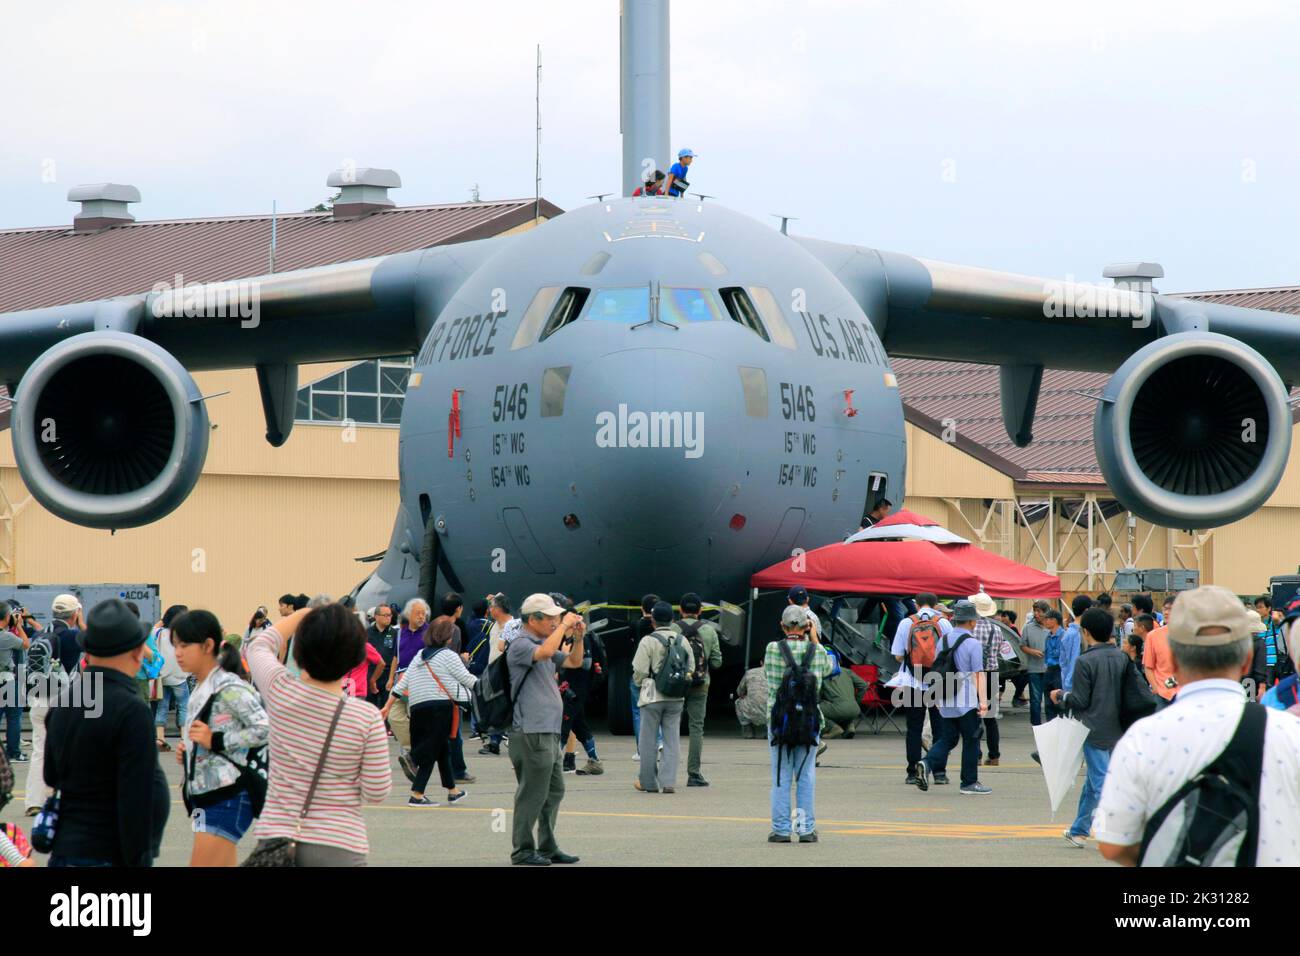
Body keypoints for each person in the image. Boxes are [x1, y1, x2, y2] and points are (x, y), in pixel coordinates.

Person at [1096, 585, 1300, 867]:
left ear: (1175, 661)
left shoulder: (1142, 739)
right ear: (1247, 660)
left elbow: (1112, 844)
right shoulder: (1290, 733)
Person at [246, 603, 392, 866]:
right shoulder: (366, 717)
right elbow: (377, 790)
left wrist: (305, 613)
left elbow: (257, 646)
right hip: (340, 843)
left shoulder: (280, 692)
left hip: (278, 837)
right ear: (355, 657)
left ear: (299, 652)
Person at [43, 599, 170, 866]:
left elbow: (51, 774)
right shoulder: (131, 709)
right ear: (135, 651)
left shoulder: (65, 702)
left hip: (67, 847)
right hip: (110, 851)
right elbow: (137, 796)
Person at [171, 609, 270, 866]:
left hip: (228, 794)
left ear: (208, 646)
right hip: (204, 796)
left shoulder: (230, 687)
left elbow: (264, 728)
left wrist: (216, 741)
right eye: (175, 646)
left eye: (184, 645)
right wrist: (190, 750)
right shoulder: (201, 688)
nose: (177, 653)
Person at [505, 593, 585, 865]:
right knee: (533, 793)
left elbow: (574, 662)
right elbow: (547, 653)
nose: (555, 621)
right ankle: (523, 850)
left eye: (556, 617)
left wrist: (579, 637)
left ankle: (548, 846)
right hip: (531, 730)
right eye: (550, 617)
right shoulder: (521, 644)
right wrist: (564, 627)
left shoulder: (542, 641)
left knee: (554, 791)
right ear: (533, 619)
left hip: (548, 731)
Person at [1050, 607, 1128, 848]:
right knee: (1094, 782)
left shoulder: (1085, 661)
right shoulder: (1121, 657)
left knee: (1101, 782)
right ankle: (1079, 829)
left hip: (1093, 729)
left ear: (1085, 631)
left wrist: (1061, 695)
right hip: (1118, 727)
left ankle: (1119, 831)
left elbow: (1080, 700)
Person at [382, 616, 476, 806]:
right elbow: (467, 679)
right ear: (448, 637)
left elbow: (403, 684)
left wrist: (388, 705)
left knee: (441, 749)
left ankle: (453, 791)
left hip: (418, 707)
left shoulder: (420, 655)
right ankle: (416, 793)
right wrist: (489, 689)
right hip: (439, 707)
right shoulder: (448, 655)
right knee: (431, 751)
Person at [765, 605, 832, 843]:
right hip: (810, 720)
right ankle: (805, 829)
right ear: (807, 626)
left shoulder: (773, 649)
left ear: (782, 626)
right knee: (805, 775)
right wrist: (814, 638)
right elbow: (828, 674)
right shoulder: (819, 651)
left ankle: (781, 829)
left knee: (781, 776)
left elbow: (769, 681)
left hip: (779, 721)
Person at [917, 599, 990, 795]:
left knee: (948, 738)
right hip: (965, 698)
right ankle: (969, 782)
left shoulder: (944, 639)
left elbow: (938, 667)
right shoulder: (973, 643)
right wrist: (983, 701)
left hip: (946, 695)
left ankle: (926, 762)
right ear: (972, 622)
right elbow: (978, 674)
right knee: (971, 739)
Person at [632, 601, 693, 794]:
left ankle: (648, 782)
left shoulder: (648, 641)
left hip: (652, 696)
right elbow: (690, 668)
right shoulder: (682, 640)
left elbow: (640, 669)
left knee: (648, 740)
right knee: (672, 739)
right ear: (673, 620)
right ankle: (668, 782)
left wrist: (641, 682)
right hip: (675, 697)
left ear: (653, 621)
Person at [892, 592, 949, 785]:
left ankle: (911, 771)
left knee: (914, 728)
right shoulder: (943, 622)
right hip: (938, 681)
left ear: (916, 605)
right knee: (939, 727)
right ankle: (939, 772)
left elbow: (898, 656)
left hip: (912, 681)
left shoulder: (906, 623)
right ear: (935, 604)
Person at [676, 592, 722, 786]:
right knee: (696, 728)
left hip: (675, 685)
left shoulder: (672, 628)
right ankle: (694, 773)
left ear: (680, 610)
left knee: (668, 727)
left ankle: (663, 772)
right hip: (700, 683)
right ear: (701, 610)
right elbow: (717, 662)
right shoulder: (709, 631)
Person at [479, 593, 515, 756]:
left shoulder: (514, 626)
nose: (489, 609)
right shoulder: (495, 625)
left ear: (499, 609)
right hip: (493, 671)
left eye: (492, 606)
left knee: (503, 706)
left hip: (507, 672)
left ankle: (498, 740)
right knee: (494, 705)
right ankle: (494, 741)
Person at [969, 592, 1002, 766]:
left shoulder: (970, 628)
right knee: (990, 717)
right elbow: (996, 652)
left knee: (974, 717)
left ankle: (977, 755)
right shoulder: (996, 629)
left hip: (974, 675)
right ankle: (994, 755)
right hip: (992, 674)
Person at [153, 604, 190, 753]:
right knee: (184, 707)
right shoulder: (184, 633)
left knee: (162, 707)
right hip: (179, 676)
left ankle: (160, 738)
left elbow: (150, 631)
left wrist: (162, 621)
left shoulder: (160, 632)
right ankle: (184, 738)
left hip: (163, 676)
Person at [630, 593, 662, 761]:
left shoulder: (636, 625)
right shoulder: (660, 627)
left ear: (642, 608)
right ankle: (661, 741)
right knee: (659, 708)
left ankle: (642, 749)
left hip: (640, 672)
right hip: (658, 672)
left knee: (638, 712)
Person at [0, 602, 31, 761]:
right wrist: (19, 626)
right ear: (7, 616)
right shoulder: (6, 636)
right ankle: (14, 752)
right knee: (14, 717)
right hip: (7, 681)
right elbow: (26, 644)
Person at [819, 648, 868, 738]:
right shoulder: (847, 671)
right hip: (855, 709)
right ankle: (849, 726)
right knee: (839, 709)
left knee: (813, 709)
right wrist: (856, 701)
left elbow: (817, 696)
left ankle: (833, 728)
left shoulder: (822, 674)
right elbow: (864, 685)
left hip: (838, 709)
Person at [1019, 600, 1051, 725]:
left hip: (1050, 669)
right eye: (1035, 611)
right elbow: (1022, 646)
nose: (1036, 614)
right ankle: (1036, 725)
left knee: (1050, 699)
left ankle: (1051, 724)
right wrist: (1032, 651)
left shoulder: (1052, 627)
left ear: (1046, 612)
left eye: (1039, 611)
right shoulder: (1028, 627)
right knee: (1035, 700)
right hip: (1034, 669)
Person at [1143, 598, 1178, 709]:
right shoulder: (1153, 636)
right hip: (1161, 695)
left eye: (1171, 609)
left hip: (1184, 693)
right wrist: (1156, 688)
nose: (1166, 612)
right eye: (1165, 609)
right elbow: (1148, 667)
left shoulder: (1191, 636)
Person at [1059, 594, 1092, 700]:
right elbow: (1073, 662)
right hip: (1074, 686)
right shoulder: (1075, 633)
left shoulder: (1073, 632)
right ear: (1087, 610)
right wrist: (1069, 688)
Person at [366, 604, 398, 710]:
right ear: (376, 616)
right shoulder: (367, 633)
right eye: (385, 615)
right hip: (370, 673)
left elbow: (395, 656)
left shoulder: (394, 633)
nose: (388, 618)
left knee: (386, 707)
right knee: (370, 706)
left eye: (390, 615)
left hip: (387, 674)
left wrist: (391, 678)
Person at [50, 593, 84, 676]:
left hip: (41, 685)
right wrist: (81, 624)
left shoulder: (39, 633)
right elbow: (98, 645)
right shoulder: (72, 636)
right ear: (74, 615)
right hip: (64, 685)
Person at [1042, 609, 1065, 720]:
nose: (1045, 621)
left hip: (1059, 670)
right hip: (1049, 670)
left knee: (1059, 702)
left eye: (1047, 619)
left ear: (1054, 620)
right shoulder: (1048, 636)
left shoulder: (1063, 636)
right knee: (1048, 703)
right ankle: (1050, 725)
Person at [735, 665, 768, 738]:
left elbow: (739, 692)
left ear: (761, 662)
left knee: (738, 702)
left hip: (752, 710)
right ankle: (769, 731)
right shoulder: (777, 672)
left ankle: (748, 731)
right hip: (771, 711)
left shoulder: (750, 672)